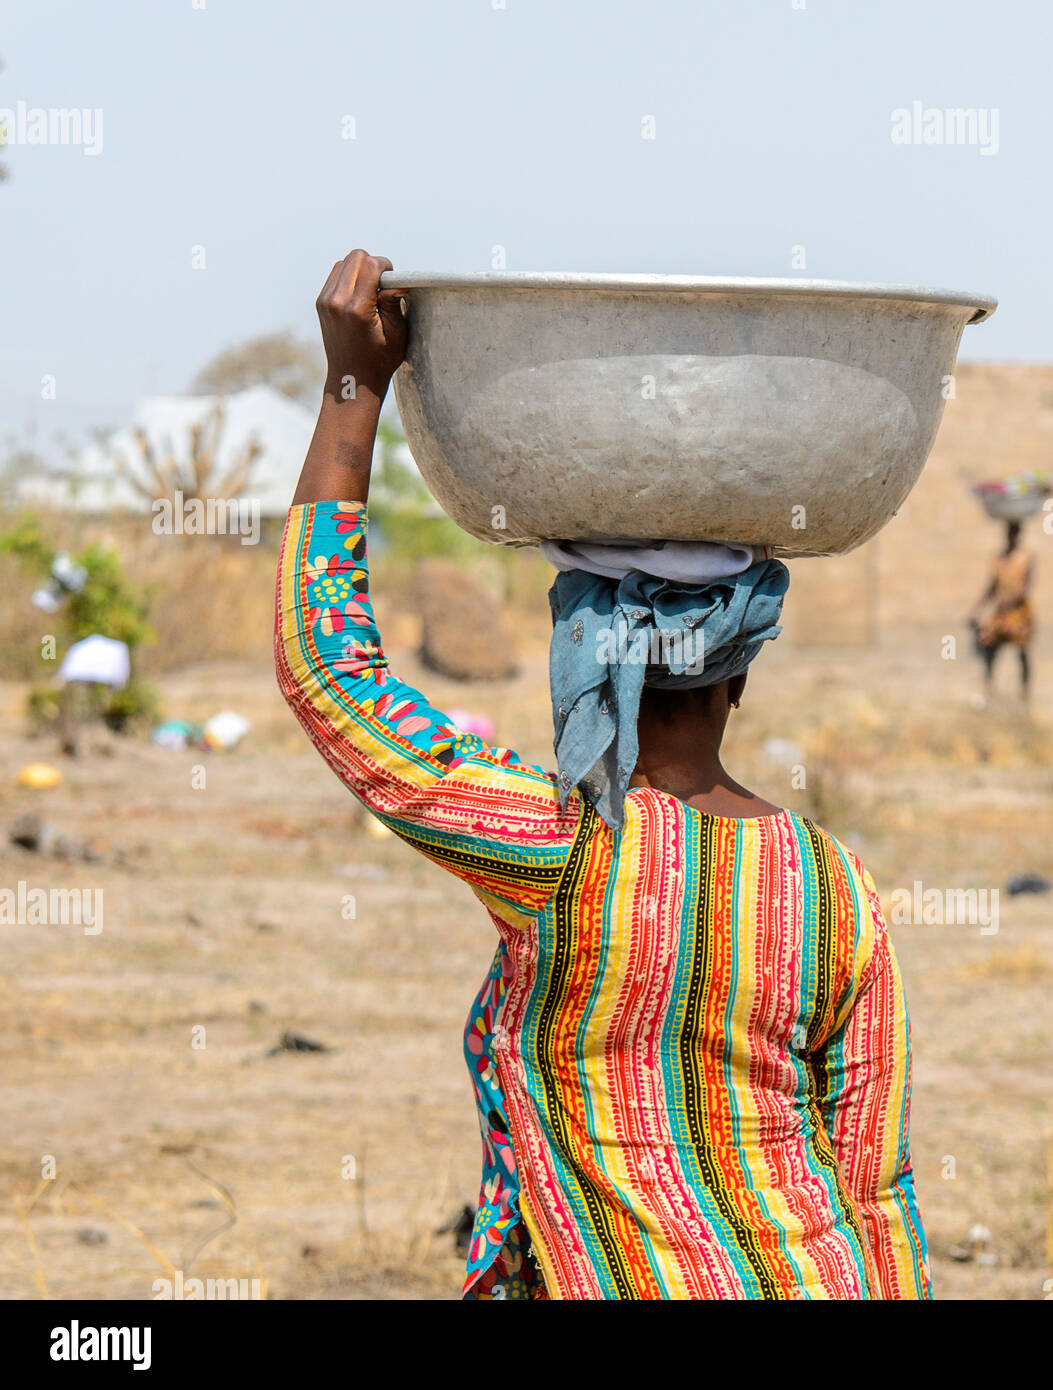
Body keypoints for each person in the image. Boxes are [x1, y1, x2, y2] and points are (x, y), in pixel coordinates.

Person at [275, 250, 930, 1300]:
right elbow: (874, 1179)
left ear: (578, 654)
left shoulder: (557, 847)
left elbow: (329, 676)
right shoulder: (833, 886)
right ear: (742, 674)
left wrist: (354, 390)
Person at [969, 519, 1034, 699]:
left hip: (1018, 611)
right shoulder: (998, 559)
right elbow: (992, 586)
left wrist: (1011, 601)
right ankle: (989, 689)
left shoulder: (1026, 559)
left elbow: (1026, 586)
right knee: (991, 648)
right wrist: (976, 610)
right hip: (1001, 612)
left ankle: (1024, 692)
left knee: (1022, 651)